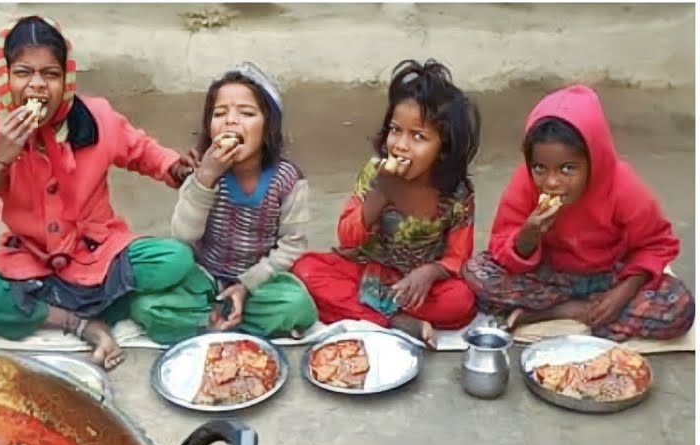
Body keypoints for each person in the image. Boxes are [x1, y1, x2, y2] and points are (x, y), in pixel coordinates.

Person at [0, 15, 197, 368]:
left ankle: (58, 310)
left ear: (66, 78)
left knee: (174, 259)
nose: (37, 86)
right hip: (32, 264)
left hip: (98, 257)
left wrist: (179, 168)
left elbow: (142, 151)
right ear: (5, 77)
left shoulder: (96, 116)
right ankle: (78, 322)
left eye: (50, 74)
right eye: (23, 72)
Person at [462, 85, 695, 340]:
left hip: (610, 275)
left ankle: (547, 313)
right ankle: (575, 311)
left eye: (567, 169)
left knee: (679, 307)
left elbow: (657, 244)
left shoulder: (622, 186)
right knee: (476, 273)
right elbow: (500, 246)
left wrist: (624, 292)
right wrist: (526, 237)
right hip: (552, 276)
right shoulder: (525, 183)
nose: (551, 182)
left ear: (594, 160)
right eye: (540, 167)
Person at [291, 59, 480, 347]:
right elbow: (348, 237)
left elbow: (457, 257)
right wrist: (380, 195)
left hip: (417, 287)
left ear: (444, 149)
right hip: (368, 271)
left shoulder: (457, 194)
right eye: (396, 130)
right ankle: (394, 322)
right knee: (305, 269)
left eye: (418, 136)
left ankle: (368, 312)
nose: (401, 145)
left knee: (462, 301)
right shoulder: (374, 173)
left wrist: (429, 273)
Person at [133, 62, 317, 344]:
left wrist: (246, 285)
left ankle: (230, 315)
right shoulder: (204, 173)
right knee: (148, 308)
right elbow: (183, 237)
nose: (231, 121)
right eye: (220, 113)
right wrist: (205, 178)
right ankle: (214, 318)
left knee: (297, 307)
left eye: (246, 113)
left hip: (258, 282)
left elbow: (292, 245)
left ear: (268, 125)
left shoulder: (288, 180)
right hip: (204, 278)